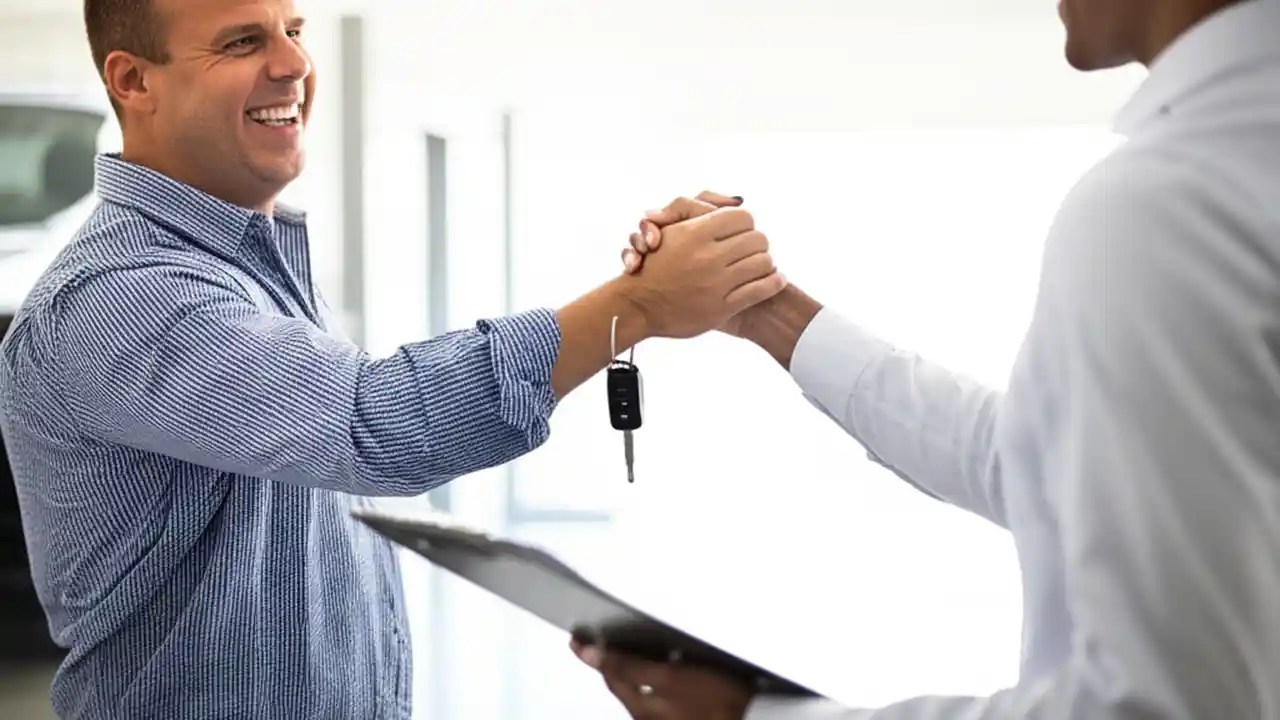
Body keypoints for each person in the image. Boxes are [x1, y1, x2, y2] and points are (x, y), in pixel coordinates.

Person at [0, 0, 785, 717]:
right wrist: (638, 304)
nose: (295, 66)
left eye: (294, 32)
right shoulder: (121, 296)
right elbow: (375, 423)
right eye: (243, 41)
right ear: (134, 81)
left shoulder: (251, 267)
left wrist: (645, 289)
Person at [573, 0, 1280, 717]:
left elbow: (1164, 704)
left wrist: (757, 717)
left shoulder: (1166, 207)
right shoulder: (1231, 166)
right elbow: (1039, 461)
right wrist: (769, 311)